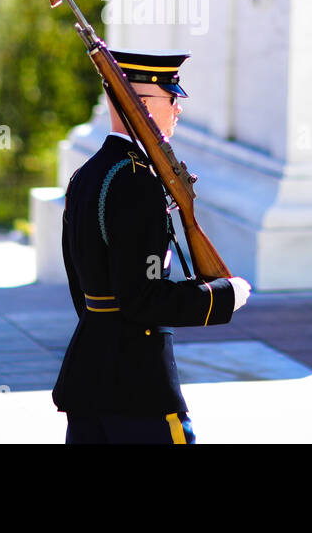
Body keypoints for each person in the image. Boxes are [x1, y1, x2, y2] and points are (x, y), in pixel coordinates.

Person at [52, 48, 252, 443]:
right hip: (139, 389)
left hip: (89, 376)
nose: (178, 109)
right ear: (140, 104)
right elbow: (141, 298)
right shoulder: (135, 179)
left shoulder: (86, 174)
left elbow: (82, 286)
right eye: (171, 97)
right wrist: (223, 295)